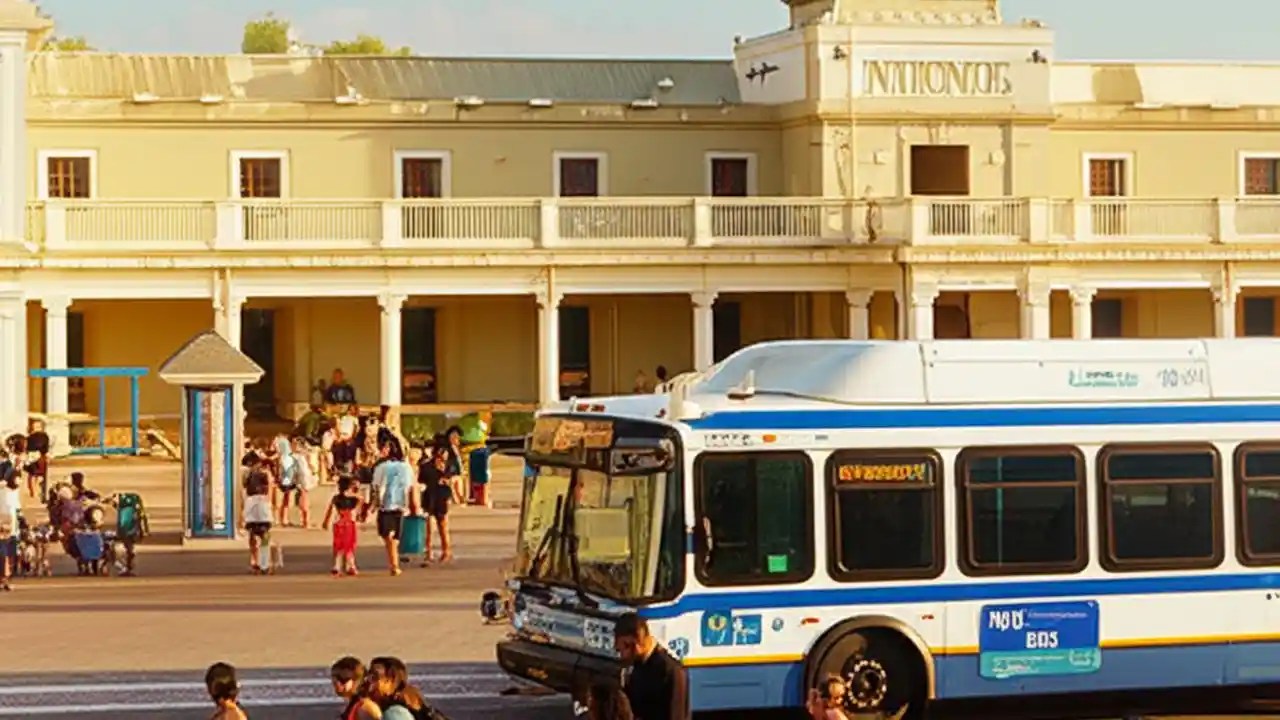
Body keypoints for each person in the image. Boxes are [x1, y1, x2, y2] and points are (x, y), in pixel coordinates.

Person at [614, 613, 689, 720]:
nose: (622, 656)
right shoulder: (636, 666)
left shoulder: (672, 671)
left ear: (636, 644)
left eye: (622, 649)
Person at [370, 439, 416, 576]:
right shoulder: (406, 467)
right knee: (395, 536)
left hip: (386, 505)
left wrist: (373, 506)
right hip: (401, 505)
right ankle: (394, 563)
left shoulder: (381, 467)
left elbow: (376, 487)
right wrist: (414, 506)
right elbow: (411, 487)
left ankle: (394, 564)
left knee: (387, 535)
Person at [417, 445, 453, 567]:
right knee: (428, 527)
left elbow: (450, 481)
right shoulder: (426, 466)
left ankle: (446, 551)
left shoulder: (448, 466)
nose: (443, 459)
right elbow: (420, 480)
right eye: (441, 456)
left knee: (443, 525)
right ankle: (428, 552)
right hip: (429, 497)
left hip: (442, 497)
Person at [367, 657, 434, 720]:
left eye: (374, 677)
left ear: (391, 679)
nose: (368, 681)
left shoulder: (395, 713)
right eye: (368, 675)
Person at [322, 475, 362, 577]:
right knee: (349, 546)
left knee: (338, 546)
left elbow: (330, 510)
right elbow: (359, 510)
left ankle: (337, 566)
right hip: (350, 523)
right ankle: (350, 566)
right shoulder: (355, 499)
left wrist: (325, 522)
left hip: (338, 523)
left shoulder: (335, 498)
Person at [243, 468, 272, 575]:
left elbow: (244, 490)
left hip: (251, 507)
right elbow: (270, 489)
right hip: (263, 506)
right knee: (264, 536)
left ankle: (255, 561)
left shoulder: (247, 474)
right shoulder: (266, 473)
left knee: (253, 535)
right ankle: (264, 564)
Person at [0, 457, 19, 592]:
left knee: (9, 553)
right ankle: (3, 579)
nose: (19, 481)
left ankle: (5, 578)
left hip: (12, 526)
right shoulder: (3, 491)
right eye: (17, 478)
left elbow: (16, 509)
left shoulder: (13, 492)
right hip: (3, 524)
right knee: (3, 552)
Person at [24, 419, 50, 501]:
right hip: (33, 457)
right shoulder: (29, 437)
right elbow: (26, 448)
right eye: (35, 426)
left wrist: (46, 456)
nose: (37, 428)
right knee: (33, 474)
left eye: (38, 426)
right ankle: (33, 492)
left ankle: (38, 491)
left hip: (40, 457)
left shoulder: (44, 436)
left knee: (39, 475)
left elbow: (46, 448)